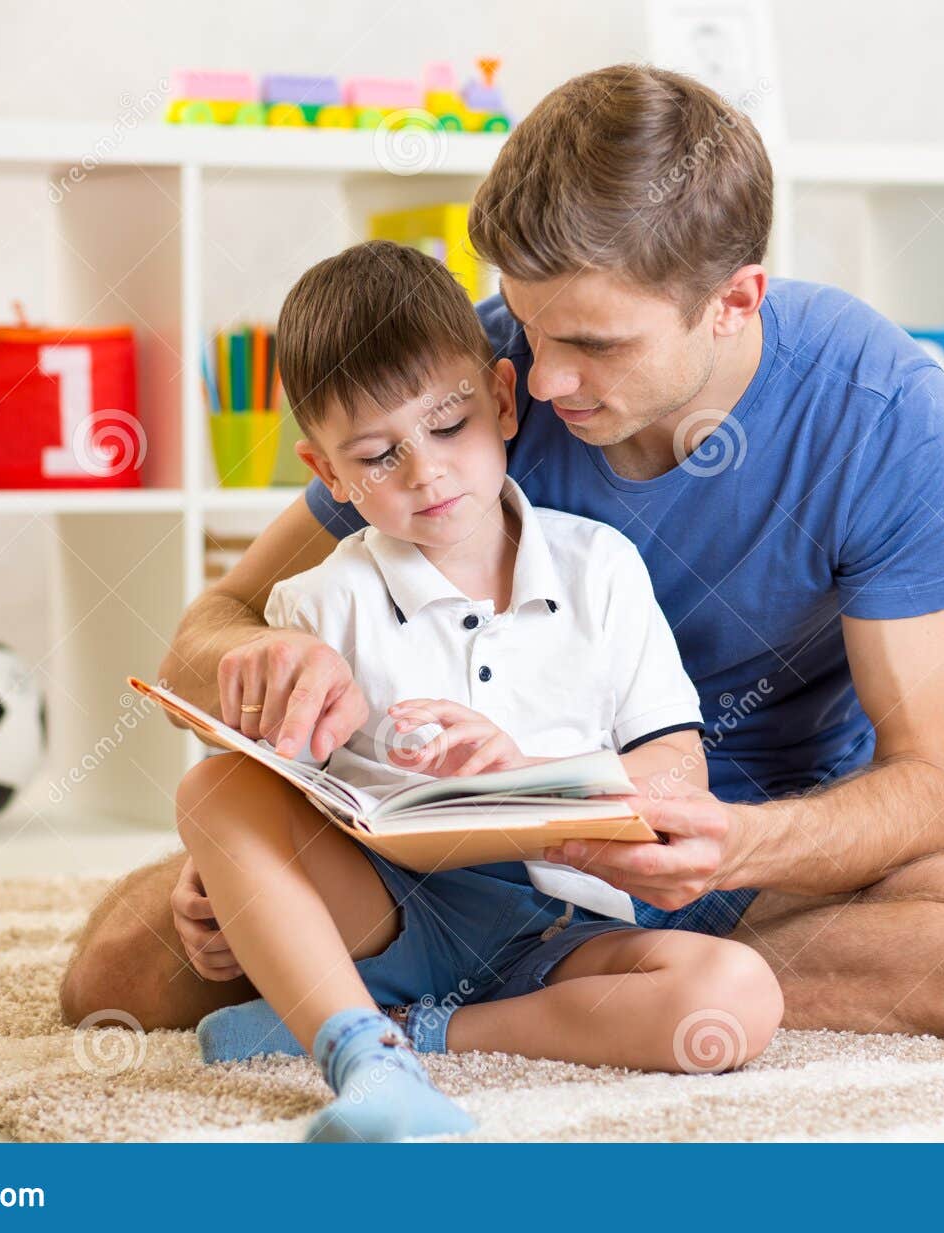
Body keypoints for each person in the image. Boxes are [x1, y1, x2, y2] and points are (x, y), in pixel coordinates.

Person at [60, 63, 944, 1053]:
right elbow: (220, 619)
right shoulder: (475, 387)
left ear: (735, 299)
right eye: (530, 328)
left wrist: (734, 845)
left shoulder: (881, 407)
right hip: (456, 856)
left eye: (596, 345)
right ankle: (583, 992)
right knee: (117, 978)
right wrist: (265, 689)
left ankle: (538, 990)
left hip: (762, 858)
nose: (548, 381)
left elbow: (939, 788)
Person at [172, 240, 782, 1141]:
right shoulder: (316, 602)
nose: (425, 472)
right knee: (213, 787)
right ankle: (360, 1060)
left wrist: (526, 776)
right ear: (328, 474)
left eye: (449, 427)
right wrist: (214, 875)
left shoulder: (599, 567)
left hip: (564, 920)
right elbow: (277, 789)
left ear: (502, 400)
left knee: (734, 998)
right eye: (377, 456)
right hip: (390, 917)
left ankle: (411, 1038)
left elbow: (675, 763)